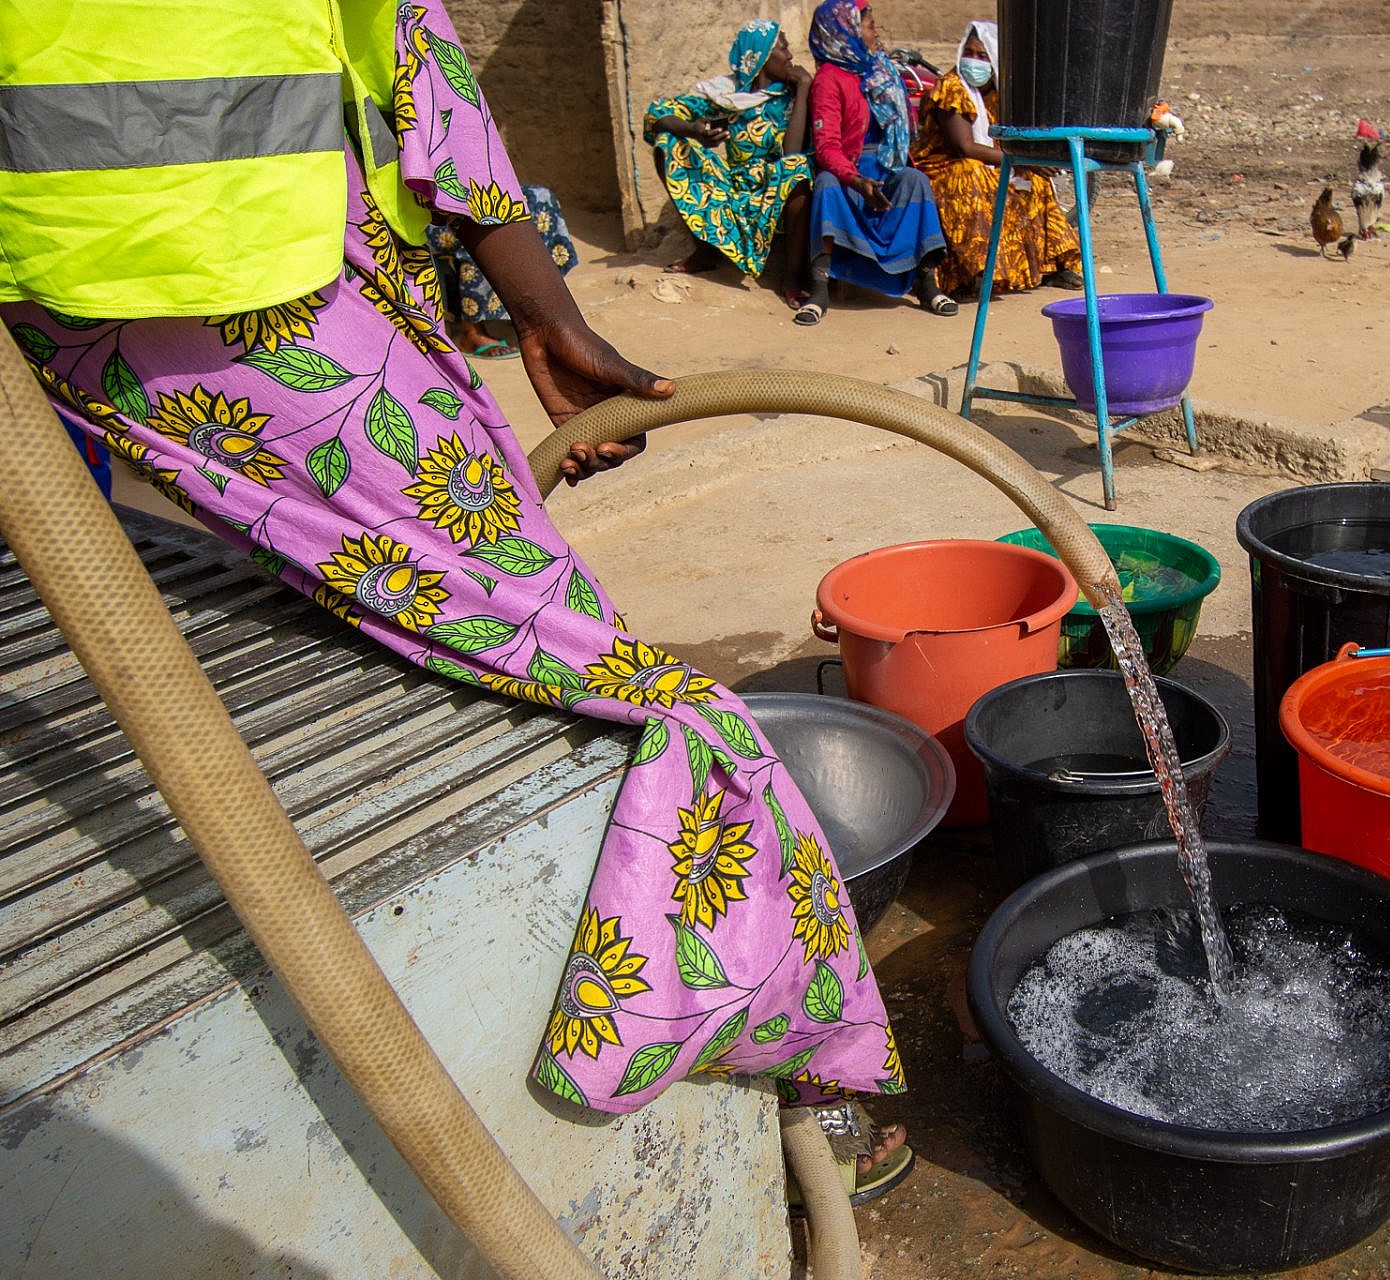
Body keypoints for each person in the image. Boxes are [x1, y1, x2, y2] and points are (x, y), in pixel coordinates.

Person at [1, 0, 908, 1190]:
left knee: (495, 606)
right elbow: (413, 38)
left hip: (240, 243)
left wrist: (536, 309)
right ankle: (807, 1067)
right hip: (204, 267)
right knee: (656, 701)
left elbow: (398, 34)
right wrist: (543, 305)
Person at [795, 0, 952, 326]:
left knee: (915, 181)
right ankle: (819, 288)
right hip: (849, 172)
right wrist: (855, 181)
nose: (875, 33)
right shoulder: (829, 79)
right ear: (846, 32)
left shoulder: (878, 69)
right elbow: (827, 147)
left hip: (885, 167)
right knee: (826, 184)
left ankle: (926, 283)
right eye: (868, 26)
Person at [646, 20, 815, 308]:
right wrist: (694, 131)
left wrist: (803, 90)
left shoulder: (791, 95)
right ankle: (705, 251)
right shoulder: (727, 94)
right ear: (762, 56)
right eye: (782, 47)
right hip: (733, 185)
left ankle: (792, 276)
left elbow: (792, 152)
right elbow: (659, 114)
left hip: (774, 188)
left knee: (797, 167)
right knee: (668, 142)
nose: (789, 55)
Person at [908, 20, 1081, 298]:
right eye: (969, 53)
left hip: (990, 161)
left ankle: (1051, 265)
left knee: (1033, 180)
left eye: (982, 56)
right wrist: (1019, 160)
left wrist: (1027, 162)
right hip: (944, 166)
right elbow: (964, 147)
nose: (973, 61)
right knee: (971, 174)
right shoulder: (952, 88)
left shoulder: (999, 92)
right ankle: (972, 272)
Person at [425, 182, 578, 357]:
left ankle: (535, 310)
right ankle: (472, 333)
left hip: (460, 191)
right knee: (483, 217)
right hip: (426, 209)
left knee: (540, 197)